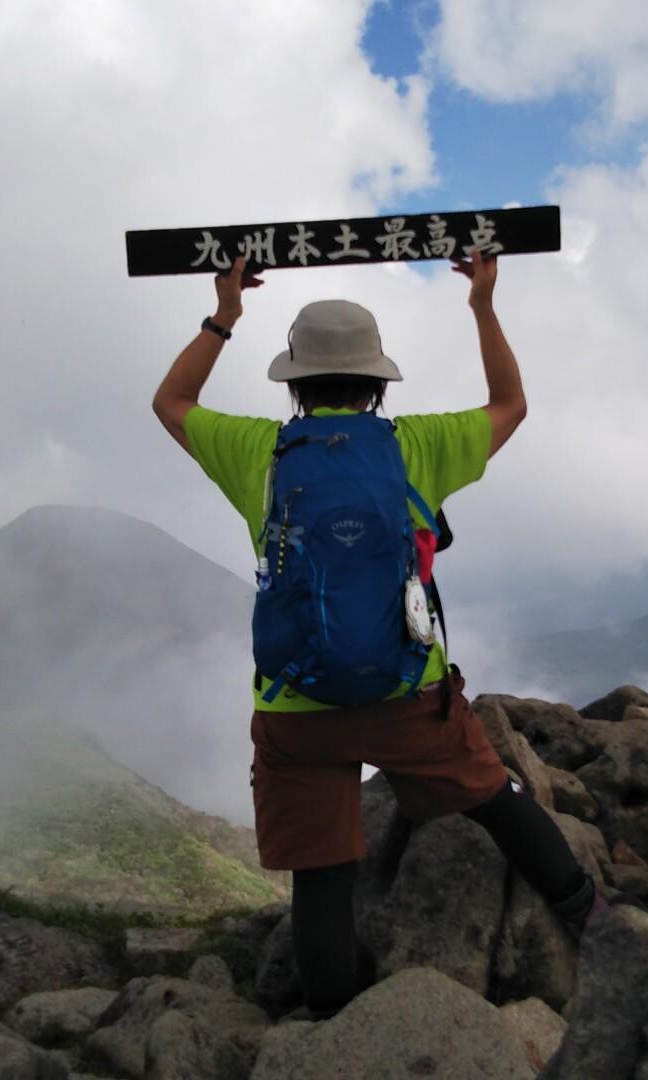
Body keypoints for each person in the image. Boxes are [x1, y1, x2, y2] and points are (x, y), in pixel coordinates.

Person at [151, 249, 608, 1018]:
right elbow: (512, 404)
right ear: (375, 383)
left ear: (292, 382)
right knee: (496, 798)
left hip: (296, 705)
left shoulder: (258, 451)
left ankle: (336, 1024)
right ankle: (588, 915)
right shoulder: (416, 446)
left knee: (323, 872)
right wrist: (483, 305)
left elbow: (170, 401)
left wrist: (223, 314)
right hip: (409, 692)